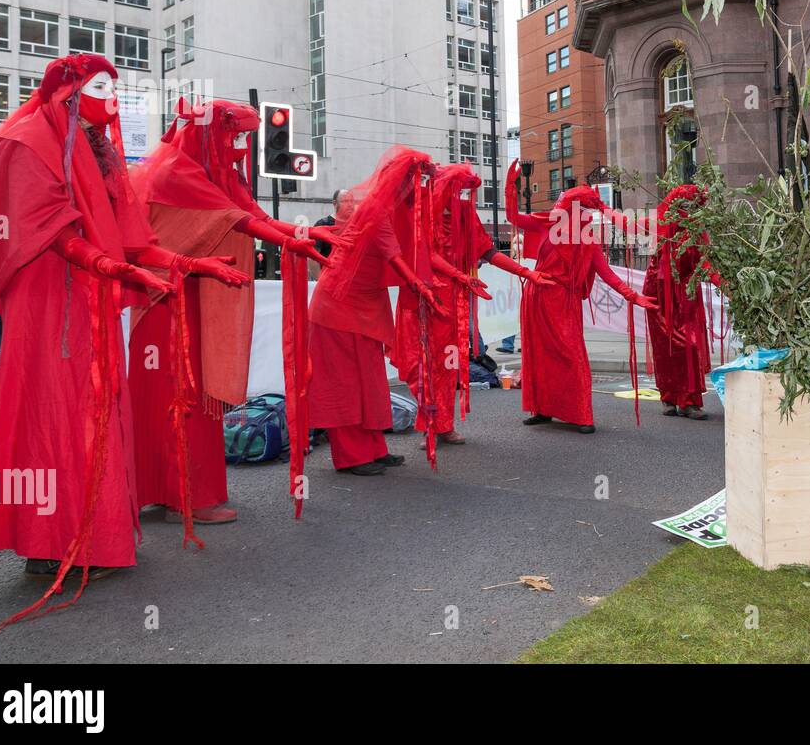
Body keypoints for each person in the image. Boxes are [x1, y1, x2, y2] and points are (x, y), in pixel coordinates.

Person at [0, 54, 231, 618]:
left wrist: (189, 264)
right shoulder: (28, 142)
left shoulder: (95, 148)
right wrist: (110, 268)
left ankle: (86, 539)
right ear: (70, 89)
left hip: (92, 300)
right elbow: (46, 229)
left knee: (94, 409)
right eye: (102, 86)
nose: (114, 97)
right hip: (51, 302)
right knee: (54, 413)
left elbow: (128, 240)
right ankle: (51, 544)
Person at [128, 98, 336, 530]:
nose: (240, 146)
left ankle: (171, 490)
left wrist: (305, 233)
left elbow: (253, 214)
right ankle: (183, 494)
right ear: (210, 134)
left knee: (191, 393)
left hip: (193, 295)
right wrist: (296, 241)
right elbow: (240, 220)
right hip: (170, 301)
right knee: (180, 394)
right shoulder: (177, 171)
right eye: (234, 135)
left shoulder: (214, 172)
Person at [395, 162, 553, 448]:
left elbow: (489, 252)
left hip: (452, 302)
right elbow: (423, 249)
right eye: (464, 190)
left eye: (470, 192)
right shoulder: (420, 208)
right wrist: (417, 167)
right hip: (420, 299)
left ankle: (441, 425)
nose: (469, 197)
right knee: (418, 366)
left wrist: (526, 272)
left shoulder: (465, 214)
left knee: (447, 366)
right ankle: (432, 422)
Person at [308, 148, 441, 474]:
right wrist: (420, 286)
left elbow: (414, 254)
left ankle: (373, 448)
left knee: (369, 379)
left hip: (361, 304)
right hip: (337, 307)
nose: (416, 189)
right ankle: (352, 456)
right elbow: (396, 257)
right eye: (413, 182)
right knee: (345, 383)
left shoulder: (389, 209)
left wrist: (442, 279)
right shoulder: (376, 210)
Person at [504, 160, 657, 433]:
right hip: (538, 297)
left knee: (571, 354)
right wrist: (510, 188)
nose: (560, 207)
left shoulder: (588, 240)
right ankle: (542, 408)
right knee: (538, 353)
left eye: (567, 204)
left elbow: (606, 273)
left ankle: (580, 414)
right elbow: (514, 217)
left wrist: (633, 296)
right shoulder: (546, 224)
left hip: (562, 301)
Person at [642, 184, 720, 420]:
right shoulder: (660, 224)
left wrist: (731, 288)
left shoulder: (697, 233)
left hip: (685, 296)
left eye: (690, 206)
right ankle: (668, 397)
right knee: (664, 347)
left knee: (690, 345)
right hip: (658, 293)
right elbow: (630, 225)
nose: (686, 211)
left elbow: (707, 264)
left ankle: (690, 400)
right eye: (682, 206)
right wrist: (602, 209)